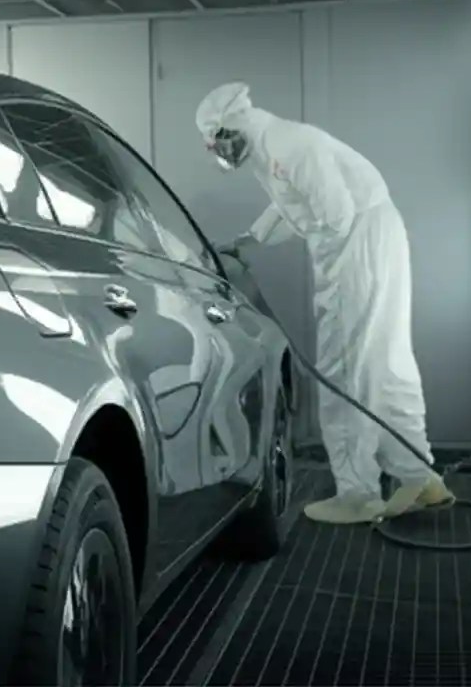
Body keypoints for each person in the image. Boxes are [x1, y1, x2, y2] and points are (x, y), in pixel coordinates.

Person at [195, 81, 455, 525]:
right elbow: (289, 204)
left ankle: (358, 492)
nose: (220, 154)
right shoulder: (273, 146)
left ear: (229, 128)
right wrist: (247, 241)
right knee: (384, 361)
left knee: (346, 366)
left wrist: (335, 286)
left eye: (217, 142)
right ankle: (420, 476)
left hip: (356, 246)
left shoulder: (287, 146)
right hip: (374, 238)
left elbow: (335, 215)